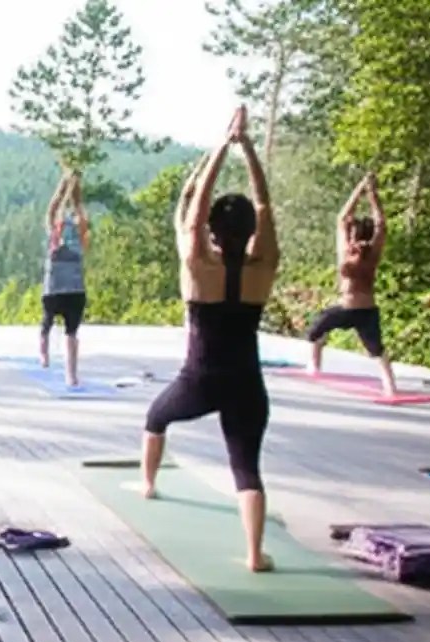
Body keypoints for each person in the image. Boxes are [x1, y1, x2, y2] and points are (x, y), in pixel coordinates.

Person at [141, 106, 279, 573]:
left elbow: (195, 213)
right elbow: (264, 208)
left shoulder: (199, 268)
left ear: (214, 234)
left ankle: (147, 484)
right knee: (246, 469)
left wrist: (222, 146)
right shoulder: (262, 270)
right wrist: (249, 150)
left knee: (156, 418)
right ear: (251, 233)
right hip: (247, 382)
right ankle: (256, 554)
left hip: (199, 380)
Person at [305, 172, 396, 396]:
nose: (356, 242)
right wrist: (361, 189)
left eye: (359, 237)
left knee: (377, 350)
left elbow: (381, 225)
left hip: (364, 311)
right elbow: (342, 218)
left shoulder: (370, 254)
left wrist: (372, 194)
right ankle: (314, 366)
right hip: (345, 308)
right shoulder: (346, 250)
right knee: (316, 332)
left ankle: (390, 386)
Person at [38, 168, 91, 385]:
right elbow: (54, 208)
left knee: (72, 331)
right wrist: (64, 185)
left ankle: (71, 374)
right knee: (47, 322)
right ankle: (44, 352)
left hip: (74, 286)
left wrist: (76, 187)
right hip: (55, 286)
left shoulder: (81, 229)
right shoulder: (53, 230)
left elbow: (79, 211)